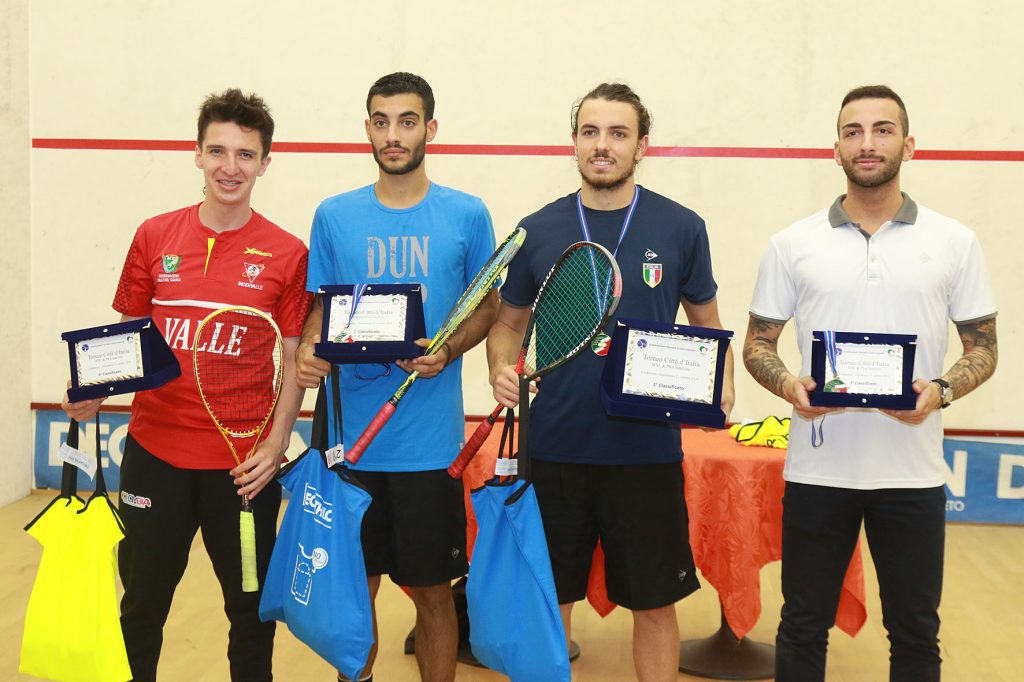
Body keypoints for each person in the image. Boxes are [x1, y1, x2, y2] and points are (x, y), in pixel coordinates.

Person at [742, 85, 998, 681]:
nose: (867, 142)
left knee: (914, 632)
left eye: (882, 129)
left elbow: (983, 346)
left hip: (913, 473)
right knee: (802, 624)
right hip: (817, 470)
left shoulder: (954, 241)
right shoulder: (791, 243)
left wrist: (941, 390)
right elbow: (759, 344)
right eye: (853, 131)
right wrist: (788, 388)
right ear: (836, 148)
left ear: (908, 145)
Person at [488, 82, 735, 682]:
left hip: (645, 450)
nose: (603, 146)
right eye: (591, 132)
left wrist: (719, 384)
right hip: (554, 448)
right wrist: (502, 366)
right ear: (574, 141)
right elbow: (508, 324)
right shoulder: (538, 229)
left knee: (653, 603)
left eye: (618, 134)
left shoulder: (681, 226)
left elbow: (707, 322)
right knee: (552, 601)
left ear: (642, 145)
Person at [62, 89, 310, 682]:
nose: (231, 166)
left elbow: (295, 359)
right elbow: (127, 335)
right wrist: (91, 387)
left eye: (246, 155)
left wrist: (276, 448)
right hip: (154, 459)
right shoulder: (154, 236)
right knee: (142, 604)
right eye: (218, 151)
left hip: (244, 473)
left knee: (250, 614)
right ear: (196, 155)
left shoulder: (288, 253)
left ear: (265, 163)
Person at [295, 72, 498, 682]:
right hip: (349, 446)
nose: (393, 134)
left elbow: (487, 306)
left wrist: (449, 347)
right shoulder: (334, 215)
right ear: (367, 129)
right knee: (354, 594)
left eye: (407, 121)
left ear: (430, 129)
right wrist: (308, 351)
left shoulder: (467, 214)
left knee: (433, 595)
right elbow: (317, 312)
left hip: (429, 449)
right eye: (380, 121)